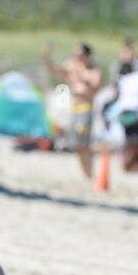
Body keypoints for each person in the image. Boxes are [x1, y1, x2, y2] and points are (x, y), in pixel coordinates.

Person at [41, 42, 104, 180]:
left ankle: (91, 174)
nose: (76, 57)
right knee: (77, 146)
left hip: (85, 109)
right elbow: (53, 70)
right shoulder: (73, 70)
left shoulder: (93, 71)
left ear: (87, 56)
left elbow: (95, 87)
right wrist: (46, 57)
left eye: (79, 55)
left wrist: (81, 74)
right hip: (74, 109)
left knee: (84, 145)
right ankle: (88, 175)